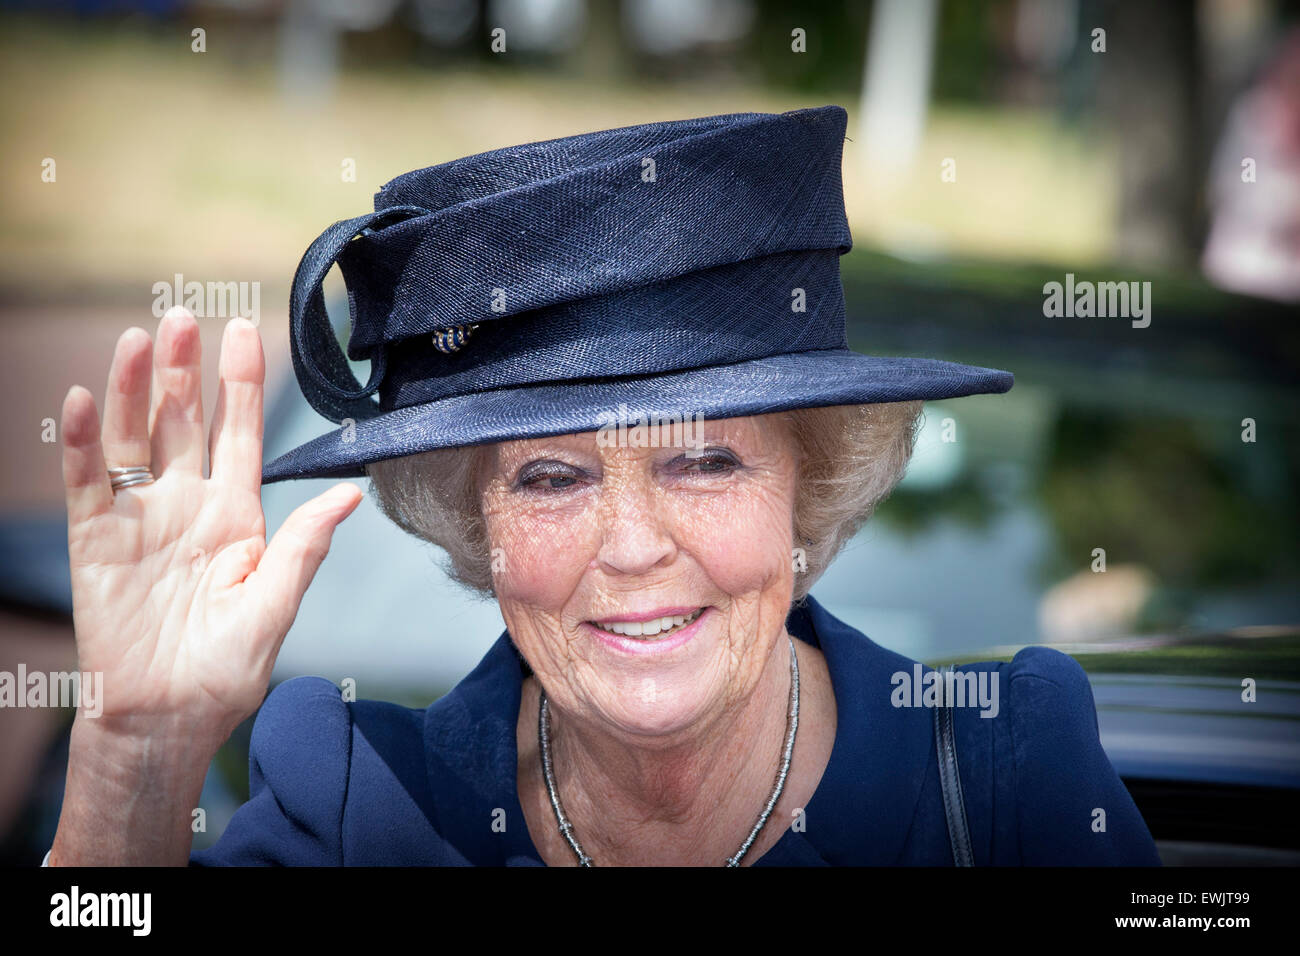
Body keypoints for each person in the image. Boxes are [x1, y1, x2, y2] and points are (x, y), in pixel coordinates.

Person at [48, 106, 1160, 866]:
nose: (630, 546)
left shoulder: (1005, 785)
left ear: (808, 490)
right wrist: (135, 767)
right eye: (549, 476)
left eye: (706, 459)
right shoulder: (359, 807)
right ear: (469, 520)